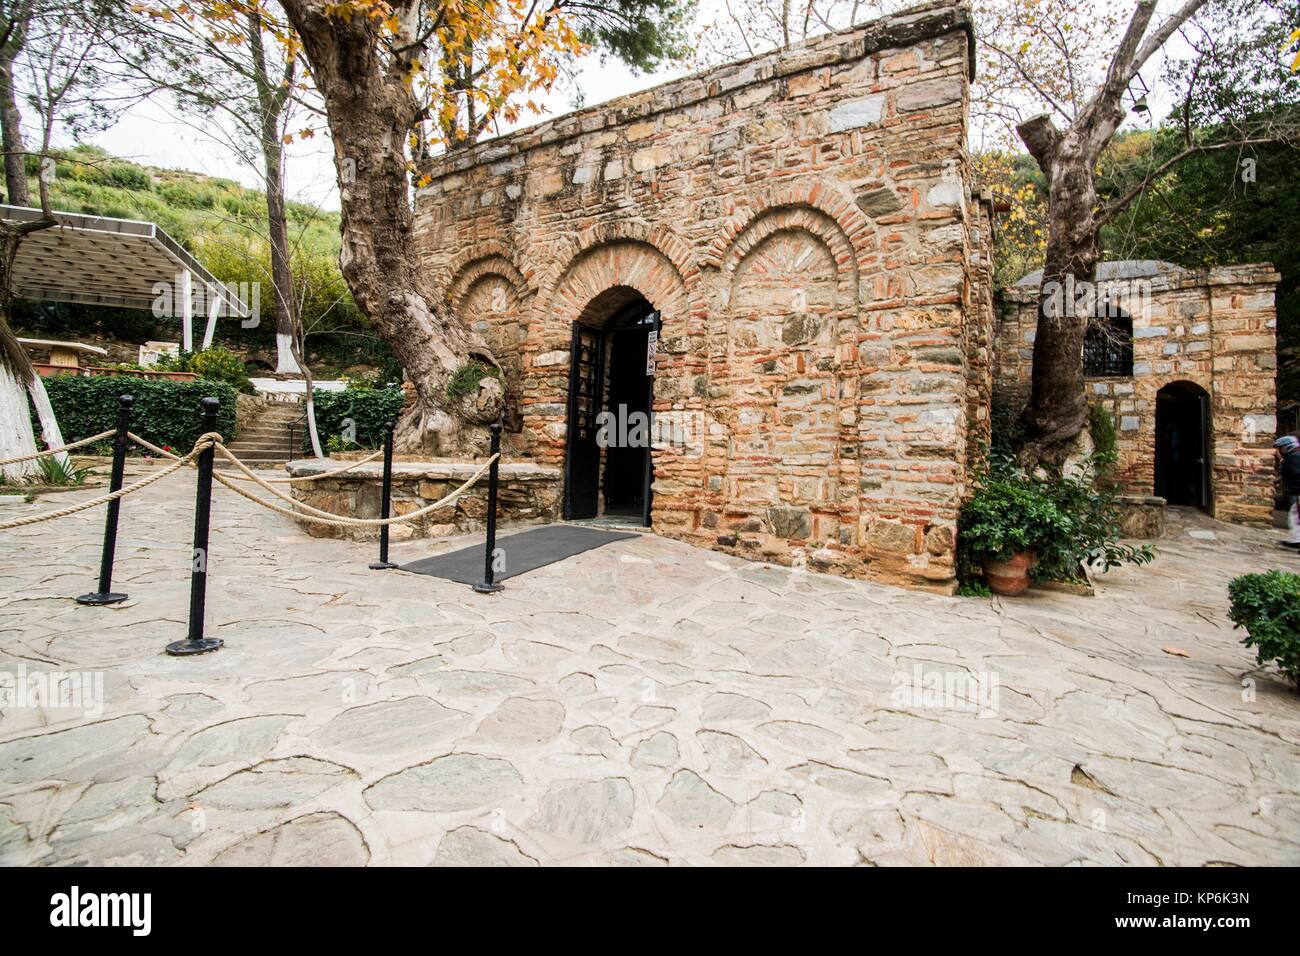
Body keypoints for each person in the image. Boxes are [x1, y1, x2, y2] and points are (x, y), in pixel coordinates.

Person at [1275, 435, 1300, 549]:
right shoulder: (1293, 457)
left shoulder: (1294, 458)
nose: (1279, 450)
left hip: (1297, 491)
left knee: (1295, 515)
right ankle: (1296, 540)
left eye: (1280, 448)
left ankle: (1297, 540)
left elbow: (1296, 475)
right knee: (1294, 515)